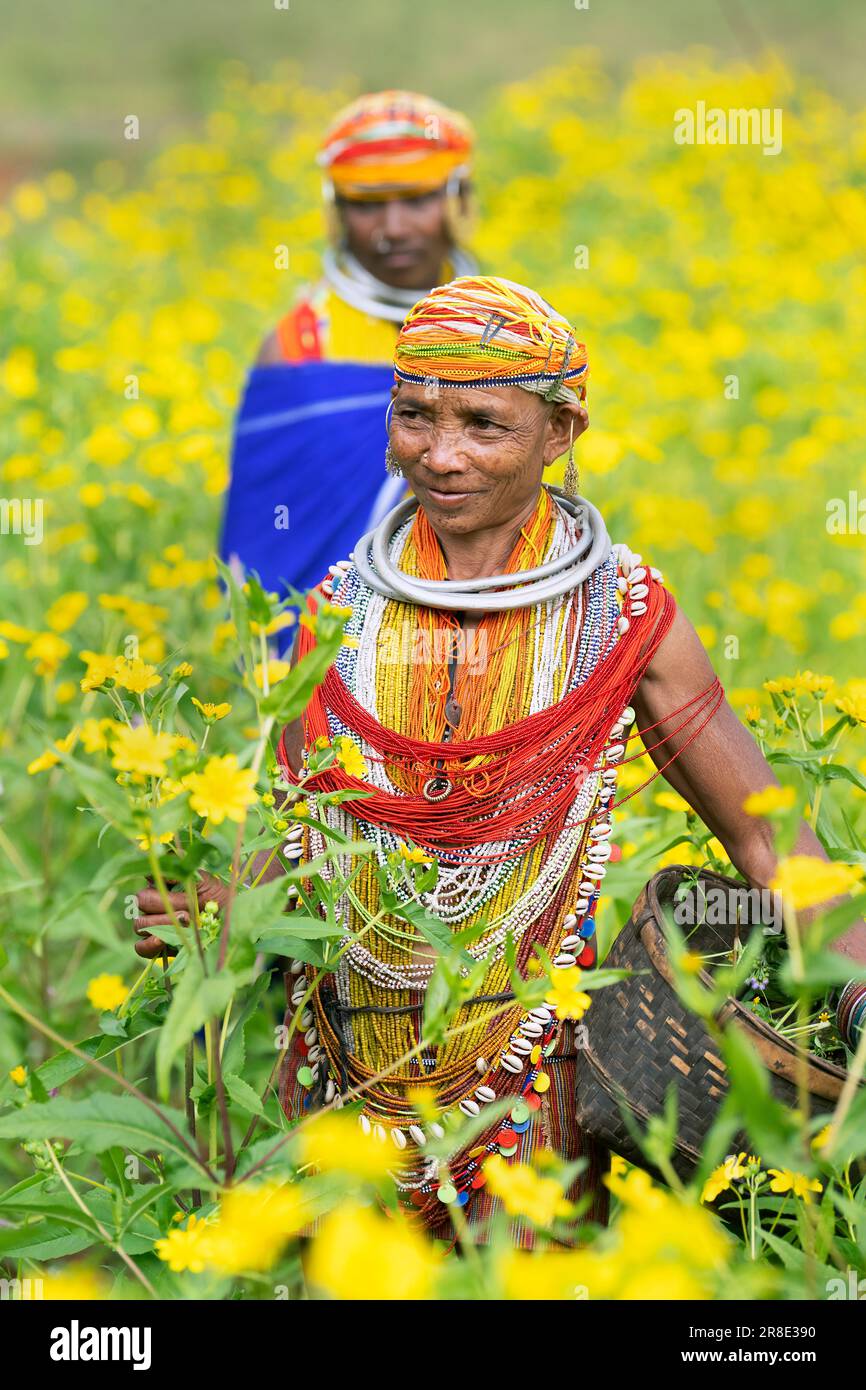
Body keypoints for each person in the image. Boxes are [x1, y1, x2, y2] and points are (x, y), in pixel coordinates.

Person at [136, 275, 866, 1246]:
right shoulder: (338, 615)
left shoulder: (621, 614)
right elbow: (287, 828)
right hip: (346, 1066)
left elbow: (767, 839)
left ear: (561, 433)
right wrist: (222, 913)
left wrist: (856, 983)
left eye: (483, 423)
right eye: (412, 417)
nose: (439, 455)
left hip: (528, 1086)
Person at [220, 90, 476, 642]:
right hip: (323, 652)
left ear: (461, 196)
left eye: (418, 198)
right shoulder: (302, 348)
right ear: (335, 208)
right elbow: (269, 537)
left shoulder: (502, 330)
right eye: (366, 204)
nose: (394, 227)